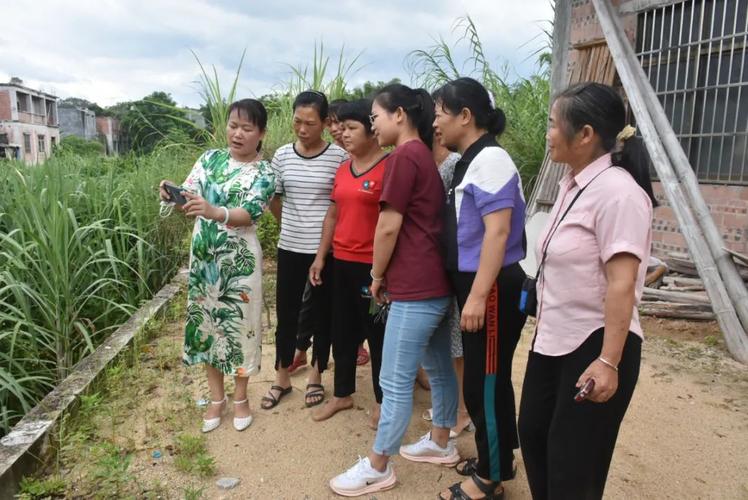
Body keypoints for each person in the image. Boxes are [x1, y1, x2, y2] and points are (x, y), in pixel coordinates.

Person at [517, 82, 656, 500]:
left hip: (596, 343)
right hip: (553, 338)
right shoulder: (572, 185)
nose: (547, 133)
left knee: (572, 462)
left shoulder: (619, 194)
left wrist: (608, 362)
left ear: (585, 134)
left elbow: (622, 282)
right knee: (534, 434)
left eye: (552, 124)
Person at [329, 84, 458, 497]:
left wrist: (377, 275)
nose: (373, 125)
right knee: (437, 366)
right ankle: (441, 440)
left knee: (396, 378)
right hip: (435, 283)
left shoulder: (404, 156)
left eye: (376, 117)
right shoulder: (422, 155)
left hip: (415, 286)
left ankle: (379, 465)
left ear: (399, 114)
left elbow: (388, 225)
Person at [432, 77, 528, 500]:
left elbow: (498, 233)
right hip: (482, 285)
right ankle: (499, 458)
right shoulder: (473, 159)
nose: (436, 124)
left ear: (465, 116)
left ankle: (489, 480)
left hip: (488, 287)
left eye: (440, 115)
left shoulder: (489, 159)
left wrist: (475, 296)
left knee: (483, 383)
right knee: (490, 379)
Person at [159, 99, 275, 433]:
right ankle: (216, 398)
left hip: (239, 263)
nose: (237, 134)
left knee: (239, 326)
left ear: (261, 133)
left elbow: (249, 213)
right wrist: (174, 194)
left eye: (247, 128)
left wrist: (215, 212)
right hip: (205, 260)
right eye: (233, 125)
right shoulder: (209, 159)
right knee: (207, 326)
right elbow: (192, 198)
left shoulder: (265, 172)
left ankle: (240, 398)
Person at [263, 90, 348, 410]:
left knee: (324, 314)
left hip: (327, 251)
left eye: (309, 123)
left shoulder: (338, 157)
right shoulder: (283, 155)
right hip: (290, 247)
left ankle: (316, 375)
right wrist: (288, 223)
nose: (302, 129)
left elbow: (339, 205)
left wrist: (321, 245)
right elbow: (275, 195)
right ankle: (281, 377)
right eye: (297, 121)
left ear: (325, 123)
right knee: (287, 314)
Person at [308, 99, 388, 426]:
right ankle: (342, 394)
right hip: (340, 261)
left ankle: (384, 401)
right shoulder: (343, 169)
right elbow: (333, 215)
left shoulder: (389, 167)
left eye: (353, 128)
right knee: (341, 329)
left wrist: (382, 271)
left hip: (373, 268)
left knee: (378, 334)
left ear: (372, 131)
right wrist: (320, 256)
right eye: (343, 128)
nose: (345, 135)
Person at [421, 132, 473, 438]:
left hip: (453, 266)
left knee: (457, 348)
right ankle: (451, 407)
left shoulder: (453, 164)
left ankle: (462, 412)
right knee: (445, 345)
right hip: (437, 267)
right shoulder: (429, 163)